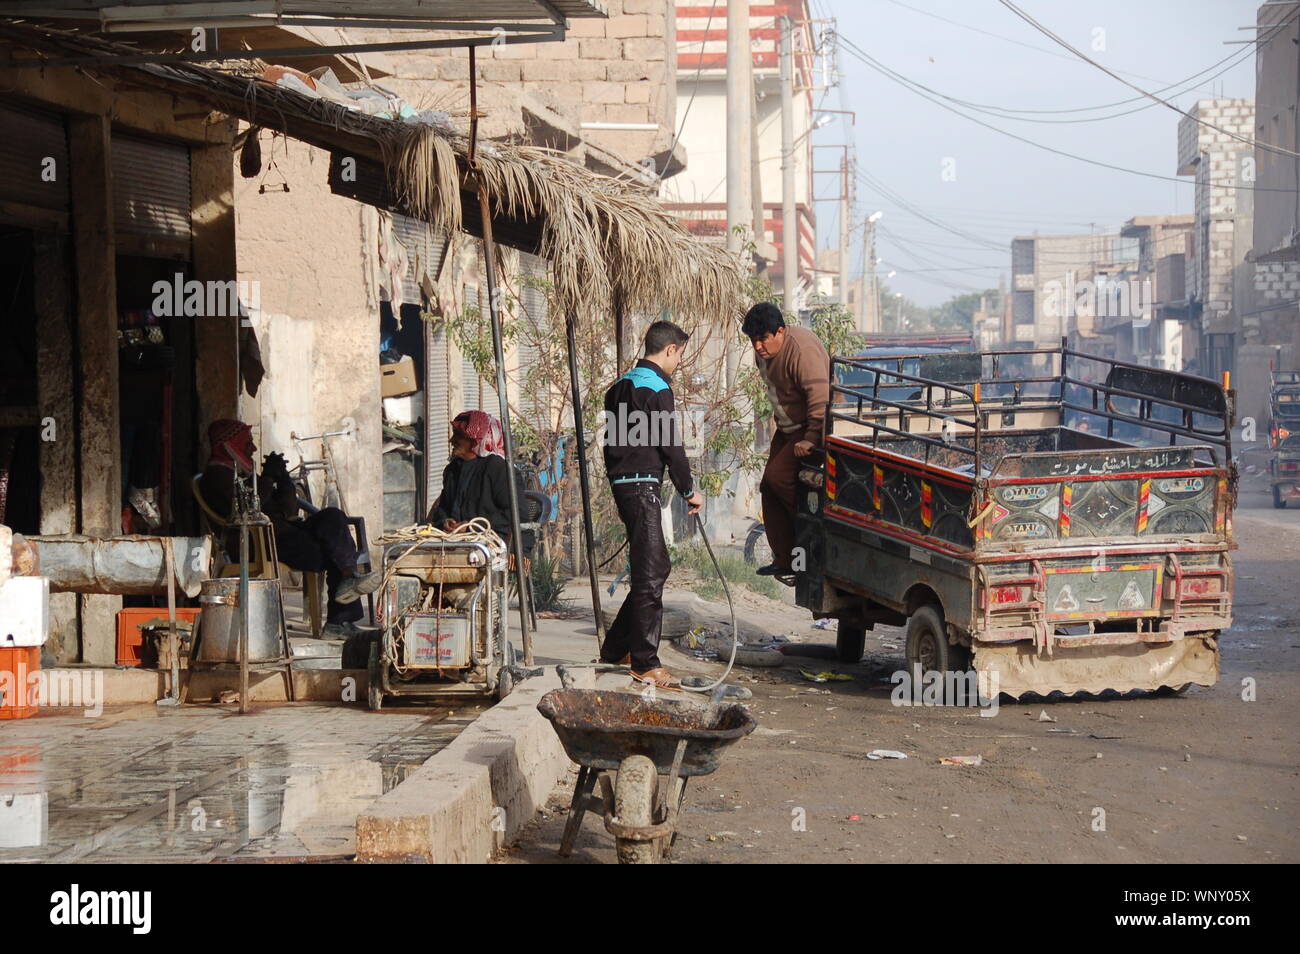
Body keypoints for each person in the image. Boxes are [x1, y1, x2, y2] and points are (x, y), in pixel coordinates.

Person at [198, 419, 379, 638]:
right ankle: (339, 618)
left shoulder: (243, 473)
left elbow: (288, 509)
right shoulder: (217, 476)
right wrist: (268, 478)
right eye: (247, 444)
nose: (253, 449)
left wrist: (284, 481)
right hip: (257, 542)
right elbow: (247, 511)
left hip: (282, 534)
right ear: (229, 444)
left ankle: (348, 580)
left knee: (333, 517)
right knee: (332, 551)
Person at [600, 320, 704, 688]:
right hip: (643, 488)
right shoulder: (657, 387)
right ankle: (645, 662)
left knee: (655, 567)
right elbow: (670, 444)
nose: (678, 363)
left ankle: (615, 649)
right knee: (650, 575)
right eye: (680, 355)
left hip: (623, 485)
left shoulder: (618, 387)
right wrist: (688, 488)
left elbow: (612, 443)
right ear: (670, 350)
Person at [743, 301, 829, 580]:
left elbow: (820, 399)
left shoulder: (801, 350)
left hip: (810, 429)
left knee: (778, 480)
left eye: (763, 339)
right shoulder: (764, 352)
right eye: (753, 340)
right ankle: (786, 559)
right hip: (787, 429)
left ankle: (817, 532)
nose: (758, 346)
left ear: (780, 331)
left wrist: (812, 438)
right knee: (768, 487)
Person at [425, 410, 527, 553]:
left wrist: (472, 526)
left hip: (489, 544)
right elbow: (443, 507)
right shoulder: (452, 469)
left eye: (459, 436)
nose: (452, 440)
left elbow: (517, 513)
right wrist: (446, 521)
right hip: (454, 542)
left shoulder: (499, 469)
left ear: (475, 441)